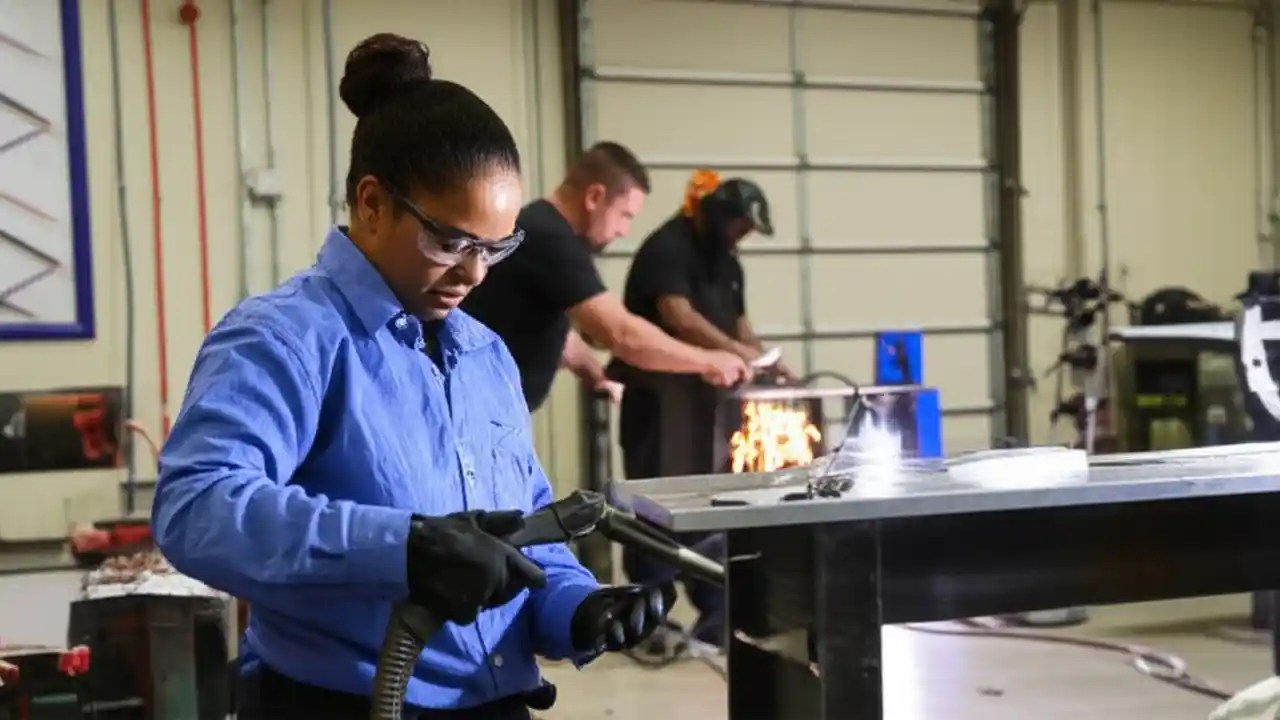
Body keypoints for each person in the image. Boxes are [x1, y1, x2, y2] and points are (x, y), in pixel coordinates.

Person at [151, 34, 673, 720]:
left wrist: (576, 606)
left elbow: (524, 522)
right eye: (451, 241)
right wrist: (404, 547)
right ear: (372, 204)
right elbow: (198, 507)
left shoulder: (484, 353)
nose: (474, 273)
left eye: (494, 247)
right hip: (340, 704)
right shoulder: (285, 339)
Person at [611, 170, 785, 645]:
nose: (743, 238)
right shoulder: (667, 248)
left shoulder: (726, 262)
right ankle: (647, 622)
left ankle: (716, 617)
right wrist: (732, 351)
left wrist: (767, 358)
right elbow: (677, 316)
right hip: (659, 403)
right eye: (740, 228)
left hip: (707, 407)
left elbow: (742, 325)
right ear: (718, 216)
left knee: (710, 508)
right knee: (654, 510)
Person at [461, 143, 750, 412]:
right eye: (625, 215)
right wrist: (710, 361)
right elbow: (623, 335)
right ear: (595, 197)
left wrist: (593, 371)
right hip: (475, 411)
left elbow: (547, 329)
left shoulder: (546, 230)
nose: (624, 230)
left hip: (489, 410)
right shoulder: (549, 239)